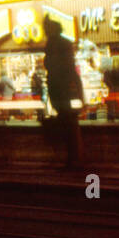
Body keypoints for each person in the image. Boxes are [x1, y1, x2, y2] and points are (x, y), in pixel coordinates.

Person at [43, 20, 84, 167]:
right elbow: (71, 70)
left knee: (67, 124)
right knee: (69, 124)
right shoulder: (61, 44)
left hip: (60, 90)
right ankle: (73, 157)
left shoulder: (54, 45)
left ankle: (72, 158)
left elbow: (65, 69)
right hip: (62, 89)